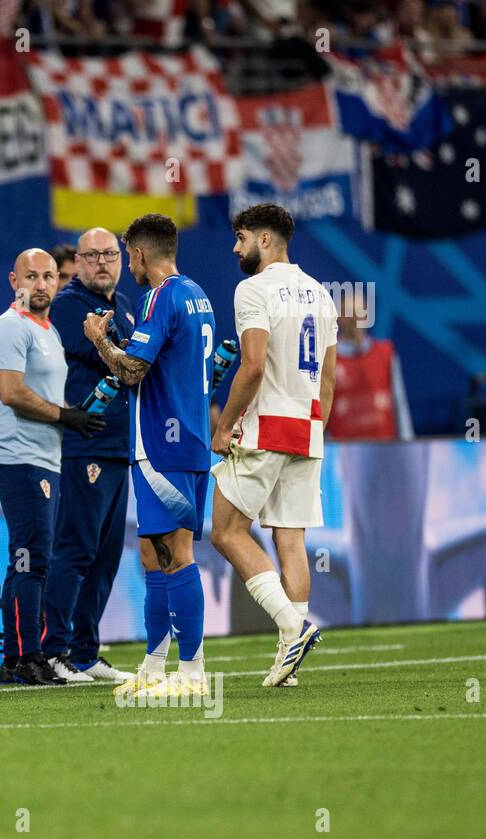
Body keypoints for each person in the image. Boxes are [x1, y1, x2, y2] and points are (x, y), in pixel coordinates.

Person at [83, 214, 214, 698]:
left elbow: (133, 371)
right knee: (152, 555)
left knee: (175, 555)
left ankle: (193, 673)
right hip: (188, 440)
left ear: (138, 255)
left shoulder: (159, 297)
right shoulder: (197, 293)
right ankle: (155, 665)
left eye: (126, 255)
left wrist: (100, 340)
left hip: (164, 445)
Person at [210, 203, 337, 688]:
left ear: (265, 240)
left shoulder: (253, 289)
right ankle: (288, 666)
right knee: (291, 539)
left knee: (225, 532)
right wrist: (314, 425)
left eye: (241, 238)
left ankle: (292, 626)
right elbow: (328, 379)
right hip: (307, 427)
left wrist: (226, 426)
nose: (236, 247)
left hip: (266, 425)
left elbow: (254, 365)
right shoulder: (322, 294)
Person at [0, 249, 103, 686]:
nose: (40, 285)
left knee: (30, 560)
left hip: (41, 457)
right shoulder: (10, 326)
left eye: (48, 277)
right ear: (14, 279)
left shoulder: (49, 330)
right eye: (31, 276)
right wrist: (64, 416)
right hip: (16, 456)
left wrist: (78, 414)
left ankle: (17, 658)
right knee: (28, 560)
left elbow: (40, 392)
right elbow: (12, 392)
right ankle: (25, 657)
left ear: (59, 281)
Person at [42, 227, 136, 684]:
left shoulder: (124, 310)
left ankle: (84, 651)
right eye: (92, 255)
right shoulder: (67, 307)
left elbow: (134, 362)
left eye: (110, 254)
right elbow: (120, 362)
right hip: (85, 445)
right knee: (75, 548)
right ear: (77, 263)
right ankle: (54, 649)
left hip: (118, 445)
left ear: (120, 260)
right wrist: (128, 349)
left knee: (105, 556)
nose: (102, 262)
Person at [327, 288, 413, 441]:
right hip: (344, 453)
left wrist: (408, 445)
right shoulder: (329, 358)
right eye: (350, 313)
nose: (355, 318)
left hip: (385, 448)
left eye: (360, 312)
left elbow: (400, 405)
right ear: (339, 317)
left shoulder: (386, 352)